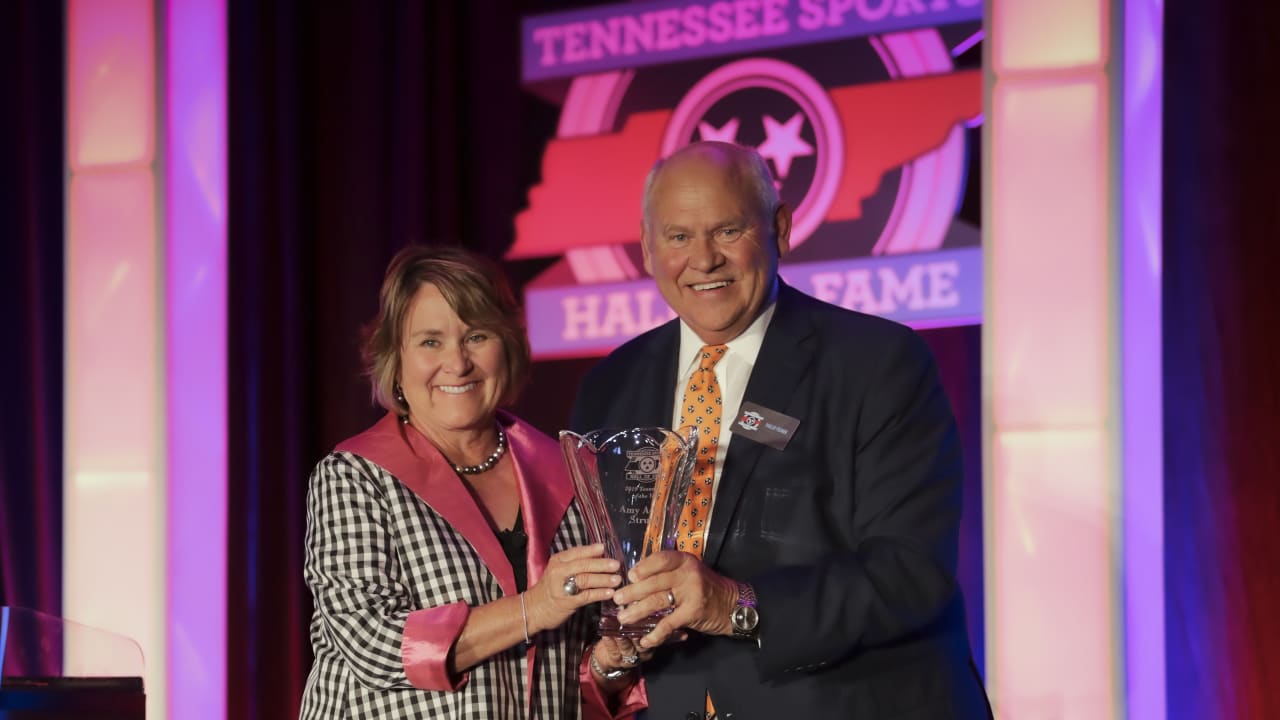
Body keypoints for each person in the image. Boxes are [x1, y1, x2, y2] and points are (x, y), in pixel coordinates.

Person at [570, 142, 992, 719]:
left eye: (727, 230)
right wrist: (610, 654)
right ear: (646, 248)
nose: (703, 259)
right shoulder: (610, 386)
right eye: (677, 237)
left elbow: (911, 571)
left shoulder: (878, 363)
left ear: (781, 228)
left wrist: (734, 604)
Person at [300, 245, 647, 719]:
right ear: (394, 359)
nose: (457, 363)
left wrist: (611, 661)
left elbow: (582, 672)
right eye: (430, 342)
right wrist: (535, 608)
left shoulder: (573, 473)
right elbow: (374, 645)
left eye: (476, 336)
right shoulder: (355, 477)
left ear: (508, 344)